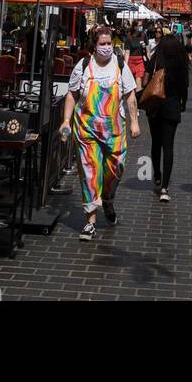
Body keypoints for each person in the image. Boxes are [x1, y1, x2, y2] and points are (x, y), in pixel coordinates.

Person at [60, 24, 140, 241]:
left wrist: (134, 122)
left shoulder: (120, 64)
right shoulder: (83, 66)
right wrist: (66, 120)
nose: (107, 47)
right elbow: (71, 95)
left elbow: (130, 96)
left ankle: (108, 198)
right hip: (86, 130)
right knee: (89, 172)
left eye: (109, 43)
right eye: (102, 44)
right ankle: (90, 221)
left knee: (116, 168)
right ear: (93, 46)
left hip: (114, 131)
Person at [142, 31, 188, 201]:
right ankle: (165, 188)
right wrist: (183, 103)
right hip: (172, 107)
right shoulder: (181, 64)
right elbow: (185, 87)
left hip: (155, 106)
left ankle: (158, 175)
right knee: (168, 147)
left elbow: (145, 81)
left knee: (156, 142)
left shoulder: (155, 60)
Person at [126, 27, 148, 91]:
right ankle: (133, 96)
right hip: (131, 61)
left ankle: (138, 97)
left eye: (139, 26)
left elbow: (147, 50)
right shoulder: (129, 37)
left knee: (139, 78)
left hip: (140, 60)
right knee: (131, 82)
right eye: (136, 26)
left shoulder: (143, 36)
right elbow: (127, 52)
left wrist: (148, 60)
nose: (138, 28)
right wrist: (126, 65)